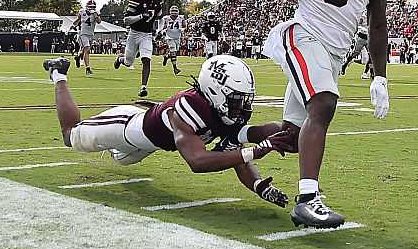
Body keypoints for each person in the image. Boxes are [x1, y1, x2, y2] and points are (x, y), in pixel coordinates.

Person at [260, 0, 396, 228]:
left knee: (291, 137)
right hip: (303, 33)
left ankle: (233, 134)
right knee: (323, 104)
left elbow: (377, 20)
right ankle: (308, 199)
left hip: (335, 50)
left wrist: (380, 76)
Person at [45, 54, 292, 207]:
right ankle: (59, 73)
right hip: (125, 127)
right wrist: (256, 152)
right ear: (215, 90)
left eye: (244, 100)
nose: (242, 107)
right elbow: (197, 161)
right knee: (71, 136)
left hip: (147, 145)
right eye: (236, 100)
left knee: (120, 160)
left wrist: (261, 185)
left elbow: (253, 136)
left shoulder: (223, 110)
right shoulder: (188, 108)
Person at [114, 0, 163, 97]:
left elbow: (160, 18)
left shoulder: (157, 3)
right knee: (128, 62)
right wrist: (141, 16)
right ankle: (120, 59)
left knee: (146, 59)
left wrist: (159, 30)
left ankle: (143, 87)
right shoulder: (136, 1)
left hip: (147, 35)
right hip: (134, 33)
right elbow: (126, 20)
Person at [74, 0, 101, 75]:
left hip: (91, 34)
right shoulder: (82, 12)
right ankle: (88, 68)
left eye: (93, 7)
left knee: (85, 50)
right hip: (83, 33)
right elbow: (78, 19)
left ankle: (78, 56)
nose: (92, 8)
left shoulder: (96, 13)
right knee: (87, 49)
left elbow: (99, 21)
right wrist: (73, 25)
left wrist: (97, 16)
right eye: (90, 7)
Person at [159, 5, 185, 75]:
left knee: (175, 52)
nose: (174, 13)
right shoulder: (166, 18)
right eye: (173, 11)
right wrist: (163, 31)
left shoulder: (181, 18)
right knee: (173, 51)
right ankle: (175, 68)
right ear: (170, 12)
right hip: (169, 36)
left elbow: (185, 26)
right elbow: (163, 27)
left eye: (175, 11)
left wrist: (183, 29)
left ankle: (166, 57)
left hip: (177, 36)